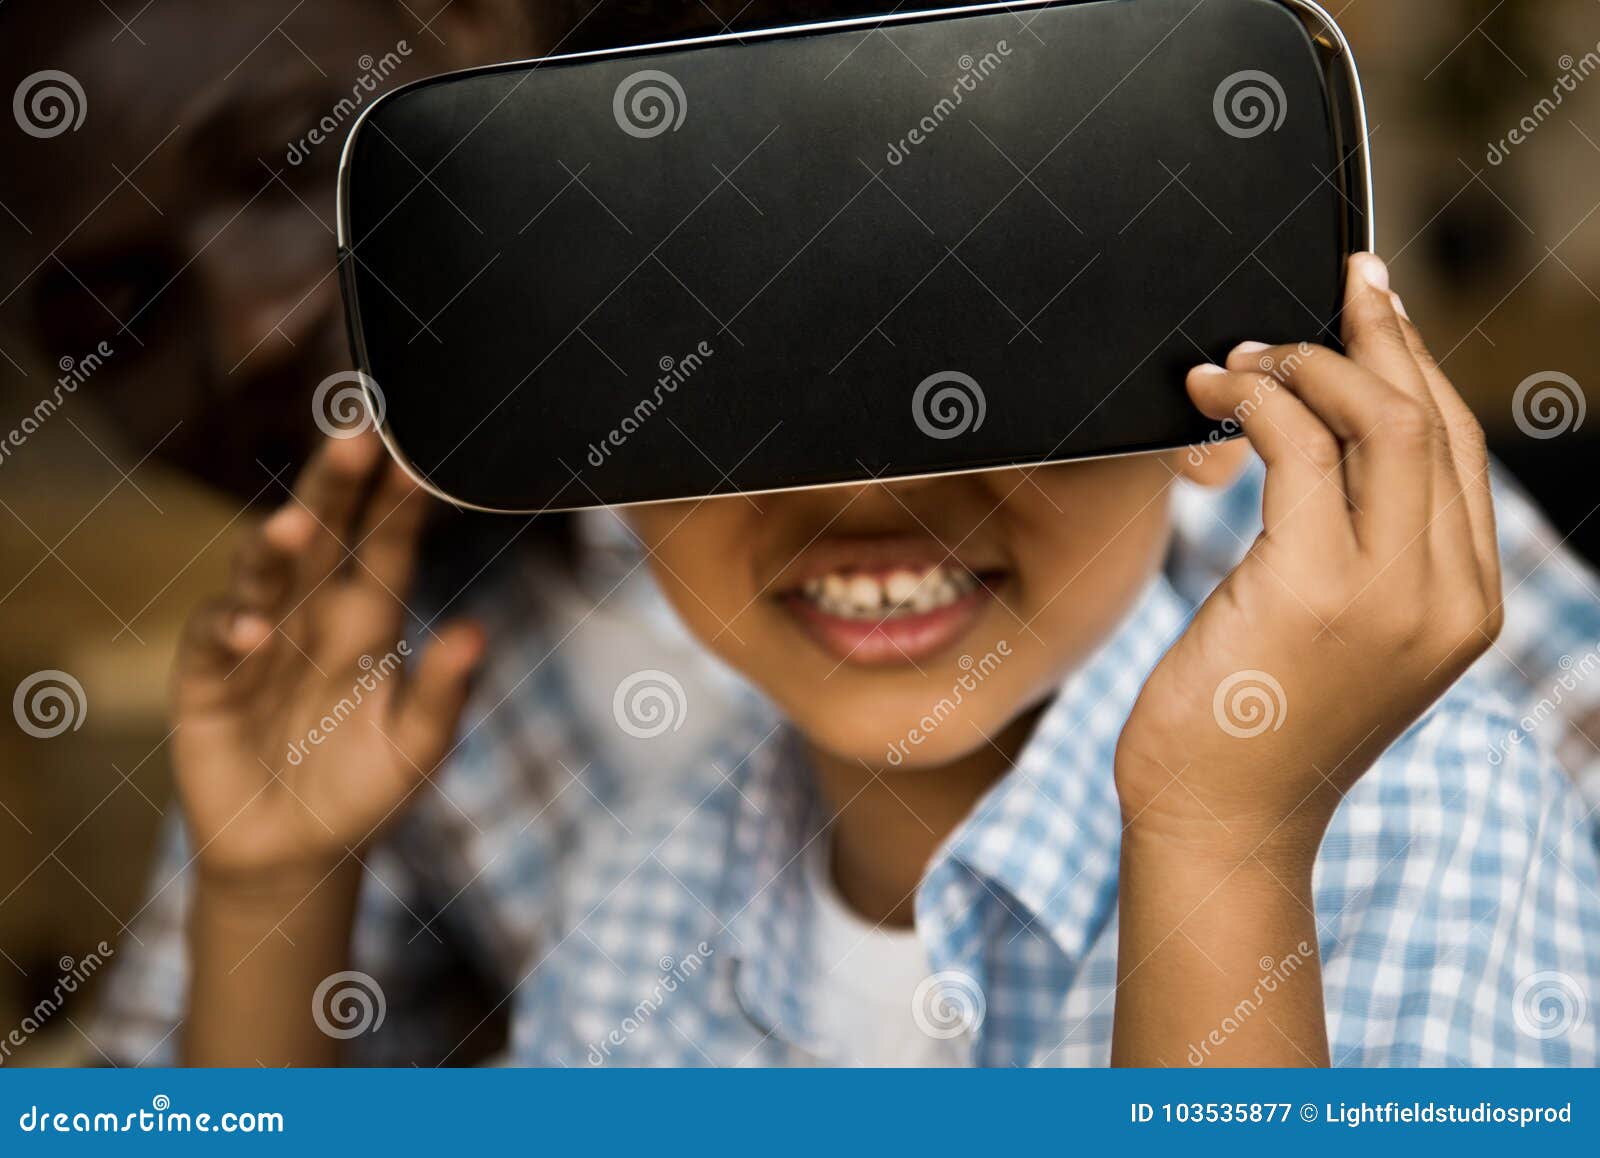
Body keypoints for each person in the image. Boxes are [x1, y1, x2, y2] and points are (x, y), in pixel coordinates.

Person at [92, 253, 1600, 1066]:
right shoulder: (637, 924)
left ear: (1221, 421)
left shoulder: (1434, 826)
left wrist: (1225, 842)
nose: (869, 489)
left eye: (1000, 350)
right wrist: (269, 883)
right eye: (722, 373)